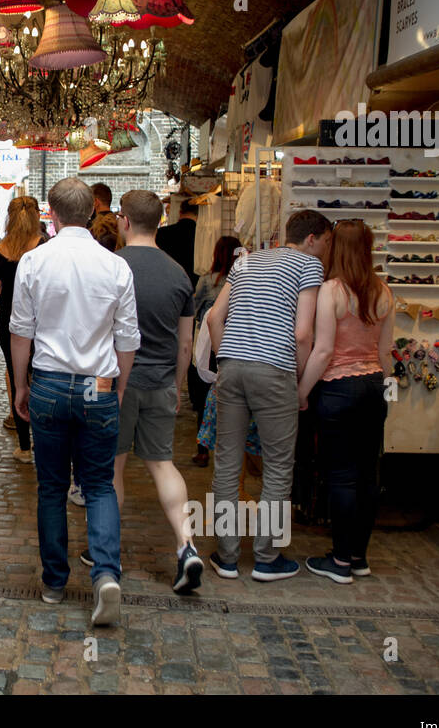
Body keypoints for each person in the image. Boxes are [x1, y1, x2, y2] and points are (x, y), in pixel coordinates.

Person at [10, 177, 139, 626]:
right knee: (100, 484)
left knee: (51, 487)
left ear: (54, 213)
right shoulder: (116, 267)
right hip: (98, 385)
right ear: (90, 214)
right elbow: (128, 339)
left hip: (48, 382)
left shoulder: (34, 262)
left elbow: (21, 331)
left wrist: (20, 385)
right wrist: (117, 389)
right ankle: (105, 573)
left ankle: (54, 581)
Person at [204, 209, 332, 582]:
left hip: (232, 366)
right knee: (277, 465)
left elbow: (214, 317)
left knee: (227, 464)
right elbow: (303, 334)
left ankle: (226, 557)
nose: (324, 251)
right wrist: (296, 384)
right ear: (311, 239)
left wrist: (223, 360)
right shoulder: (308, 267)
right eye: (324, 243)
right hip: (274, 368)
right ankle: (266, 556)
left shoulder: (246, 261)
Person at [111, 191, 200, 592]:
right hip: (162, 381)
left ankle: (105, 551)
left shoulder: (113, 267)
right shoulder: (179, 274)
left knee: (113, 467)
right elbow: (186, 344)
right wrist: (178, 386)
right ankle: (186, 545)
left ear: (124, 221)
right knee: (163, 464)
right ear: (160, 222)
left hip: (117, 383)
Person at [296, 220, 394, 584]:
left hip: (338, 389)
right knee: (368, 474)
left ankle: (338, 561)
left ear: (336, 247)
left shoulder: (331, 291)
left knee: (340, 476)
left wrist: (302, 391)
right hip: (373, 386)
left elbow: (321, 351)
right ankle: (358, 556)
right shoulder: (383, 291)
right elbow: (386, 352)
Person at [0, 195, 44, 462]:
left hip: (9, 322)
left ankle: (24, 446)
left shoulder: (0, 249)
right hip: (41, 321)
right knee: (41, 378)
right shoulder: (44, 247)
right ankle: (44, 442)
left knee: (18, 379)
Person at [189, 236, 242, 466]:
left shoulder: (207, 280)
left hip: (209, 344)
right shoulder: (244, 280)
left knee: (204, 399)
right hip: (237, 344)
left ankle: (203, 449)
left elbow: (194, 308)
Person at [156, 197, 199, 289]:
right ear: (199, 215)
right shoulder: (202, 236)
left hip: (166, 281)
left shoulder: (161, 233)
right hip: (193, 283)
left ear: (180, 212)